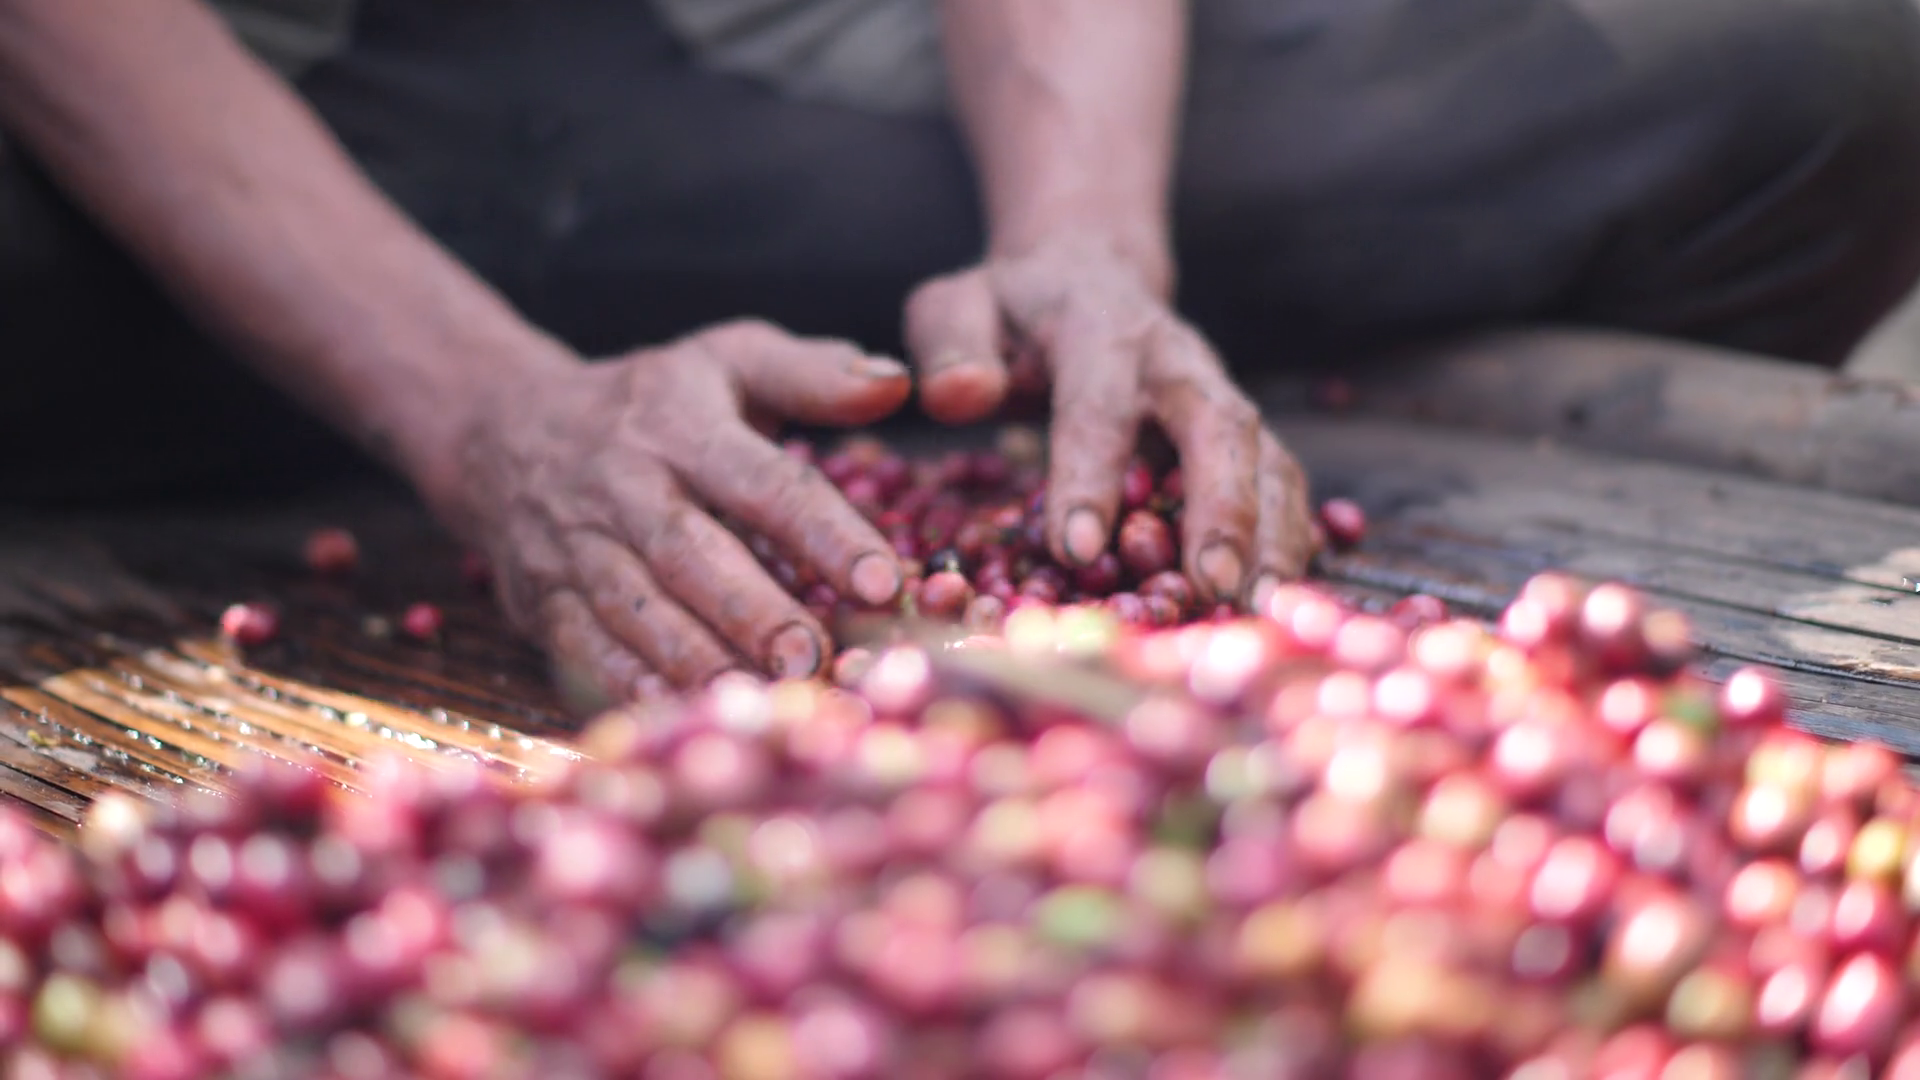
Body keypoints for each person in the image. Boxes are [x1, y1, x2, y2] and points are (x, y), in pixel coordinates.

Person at [3, 0, 1919, 704]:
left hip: (789, 95)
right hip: (228, 115)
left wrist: (1081, 233)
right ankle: (419, 374)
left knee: (1803, 72)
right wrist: (476, 401)